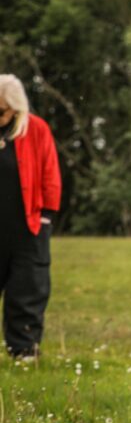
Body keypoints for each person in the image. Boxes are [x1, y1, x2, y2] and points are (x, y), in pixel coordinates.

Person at [0, 75, 61, 361]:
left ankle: (24, 352)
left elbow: (50, 174)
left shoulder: (35, 130)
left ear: (15, 108)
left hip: (28, 227)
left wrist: (46, 216)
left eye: (1, 111)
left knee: (27, 290)